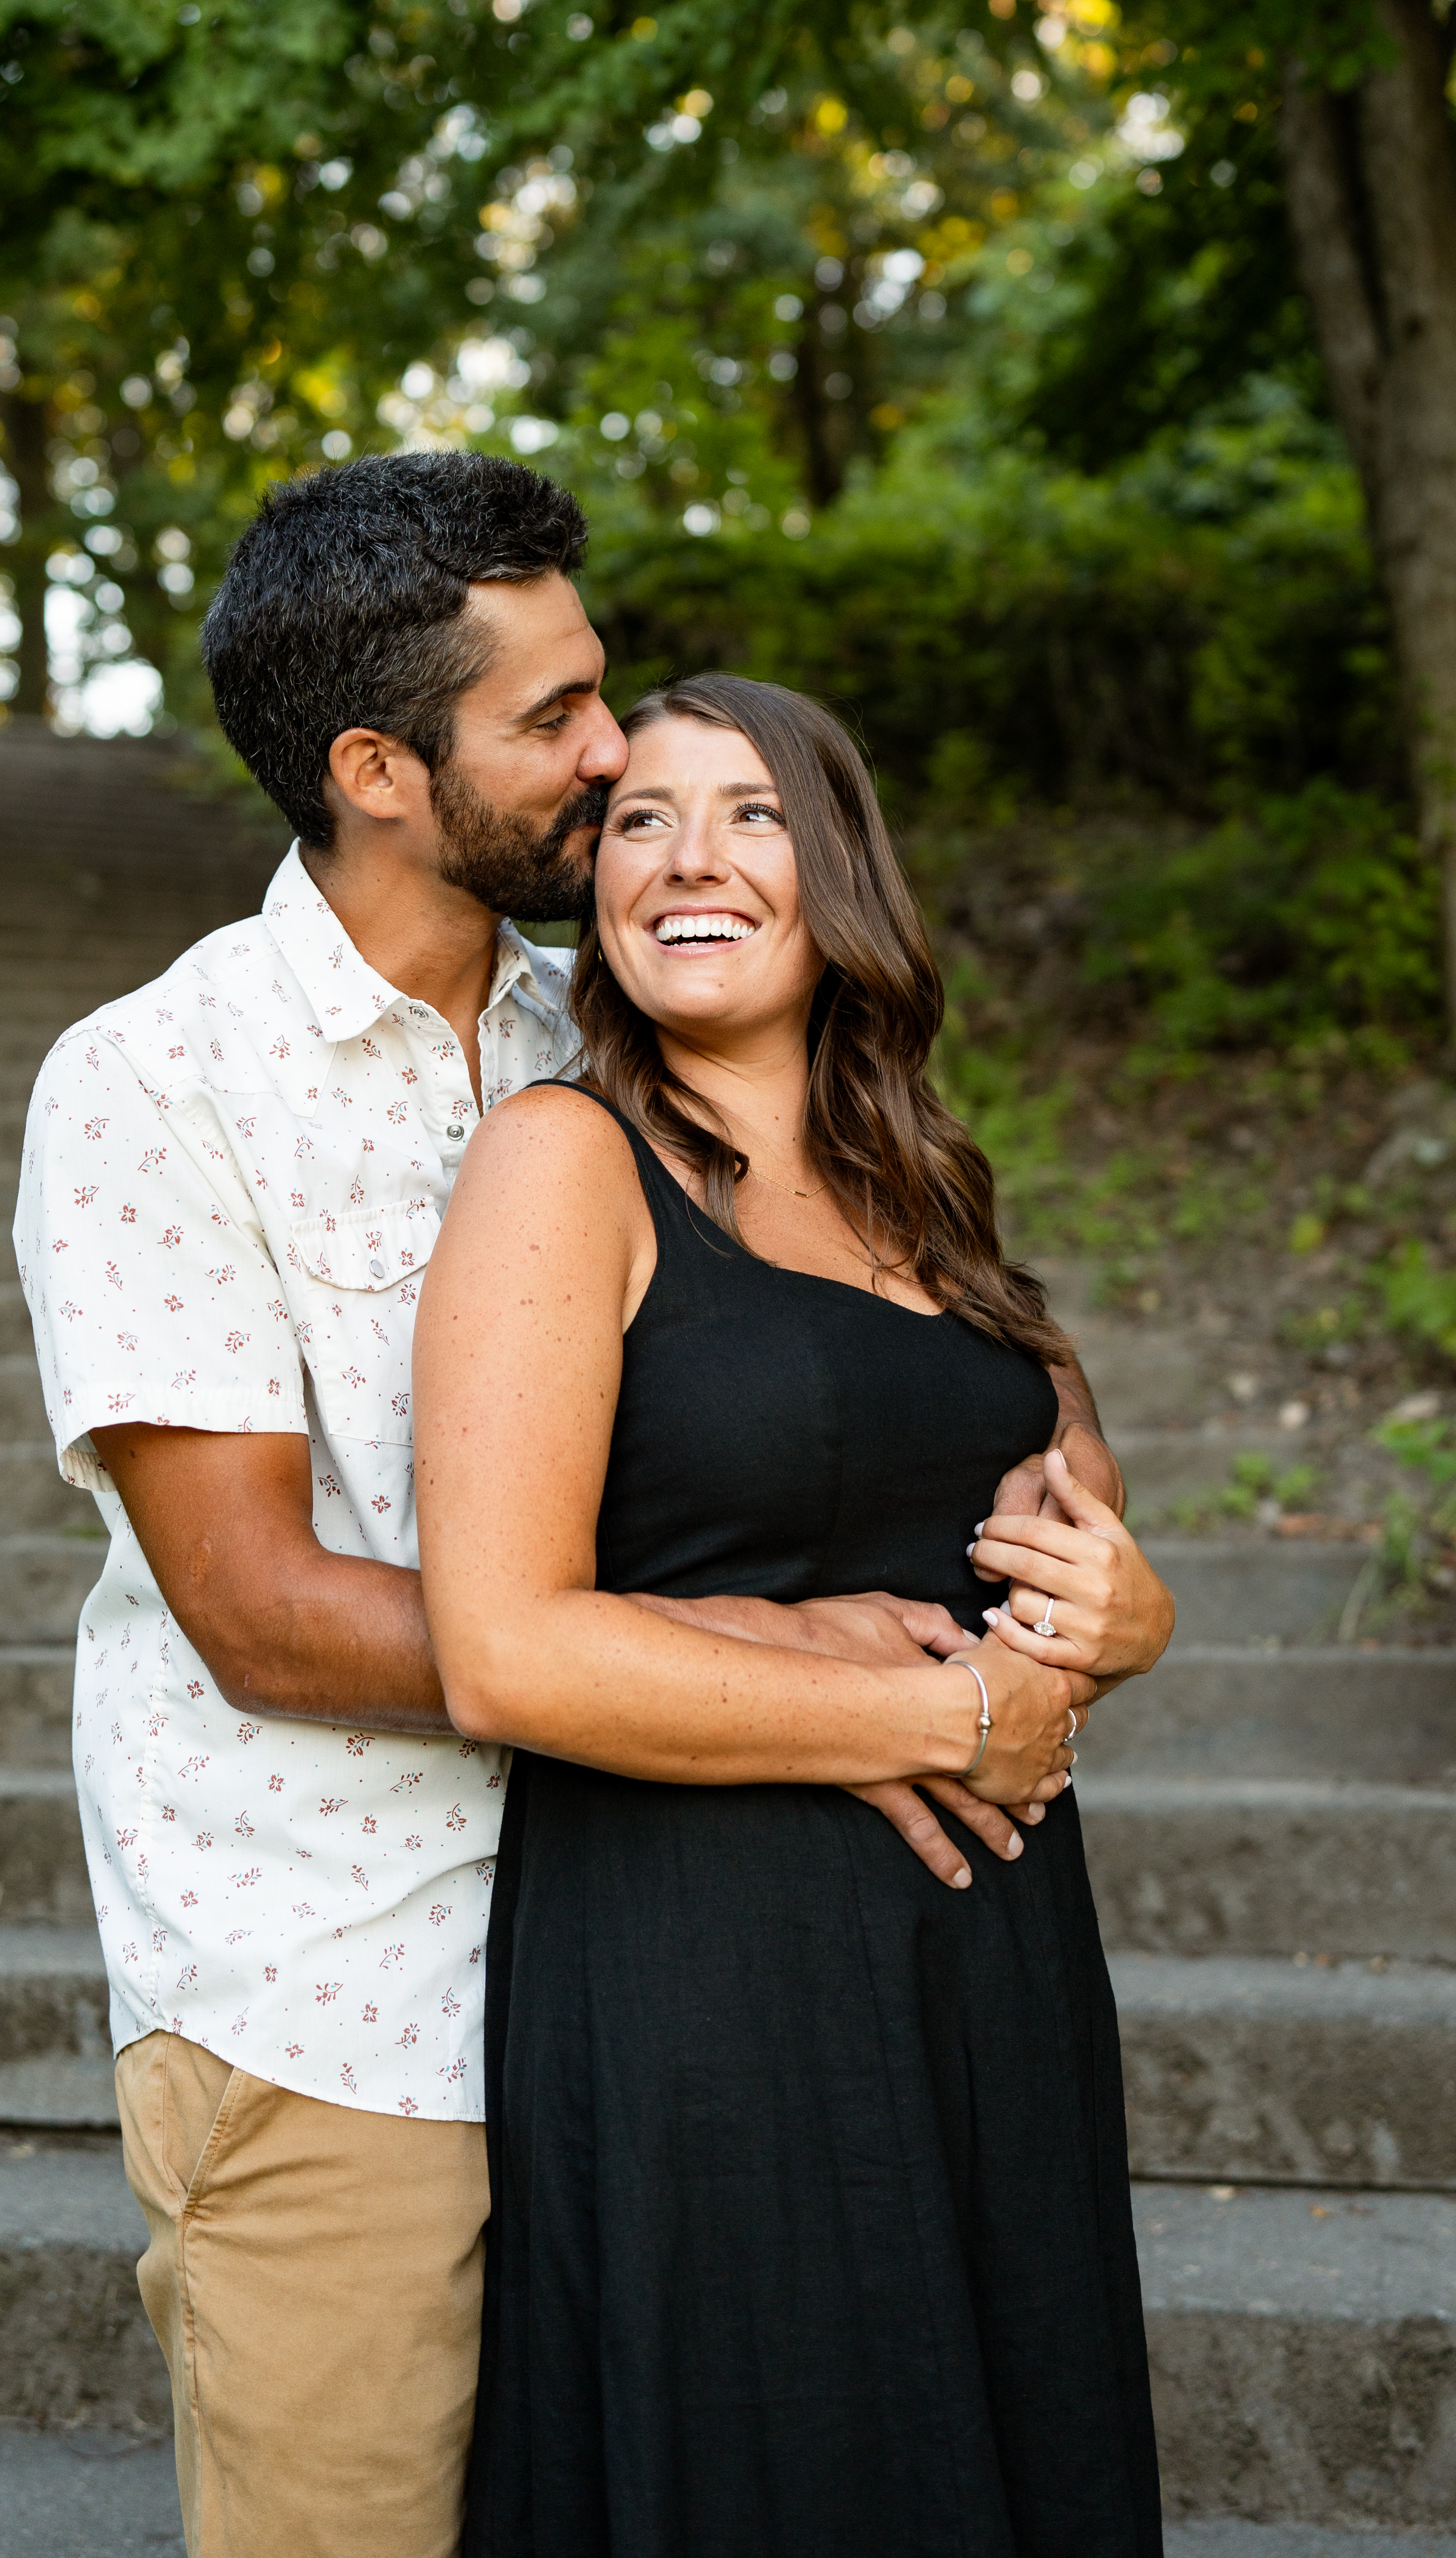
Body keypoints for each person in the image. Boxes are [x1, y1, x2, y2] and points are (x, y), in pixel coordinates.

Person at [15, 452, 1129, 2558]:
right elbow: (256, 1610)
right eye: (558, 720)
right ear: (378, 768)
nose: (616, 755)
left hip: (662, 1942)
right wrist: (769, 1651)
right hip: (343, 2000)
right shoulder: (155, 1085)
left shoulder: (603, 1026)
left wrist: (1091, 1612)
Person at [413, 672, 1175, 2558]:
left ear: (838, 871)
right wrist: (950, 1722)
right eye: (642, 818)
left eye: (750, 811)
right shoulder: (562, 1160)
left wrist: (1128, 1620)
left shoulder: (931, 1192)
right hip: (709, 1974)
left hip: (984, 1973)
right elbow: (501, 1646)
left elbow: (1065, 1518)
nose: (687, 856)